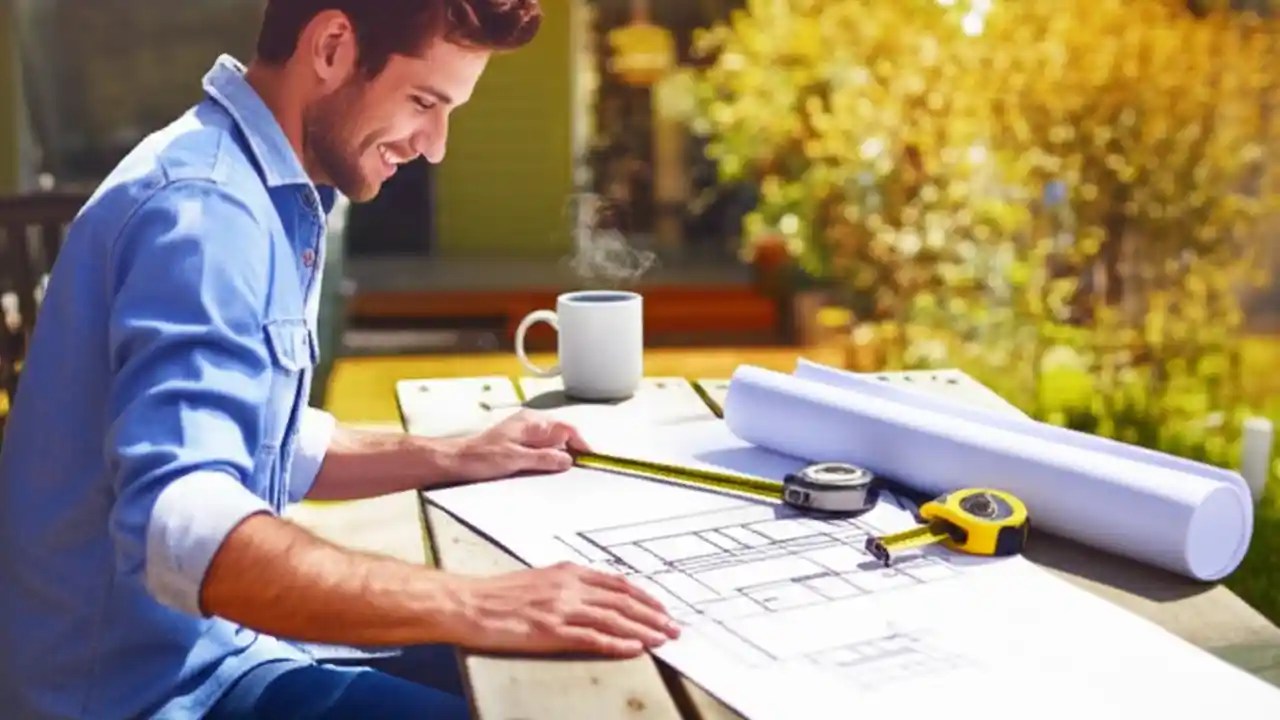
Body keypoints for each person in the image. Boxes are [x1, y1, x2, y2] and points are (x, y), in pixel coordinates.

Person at [0, 1, 680, 718]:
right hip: (146, 695)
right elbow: (184, 527)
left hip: (223, 650)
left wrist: (451, 455)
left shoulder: (257, 183)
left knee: (592, 666)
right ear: (330, 47)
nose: (435, 146)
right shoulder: (206, 215)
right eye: (424, 102)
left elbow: (265, 437)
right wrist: (478, 602)